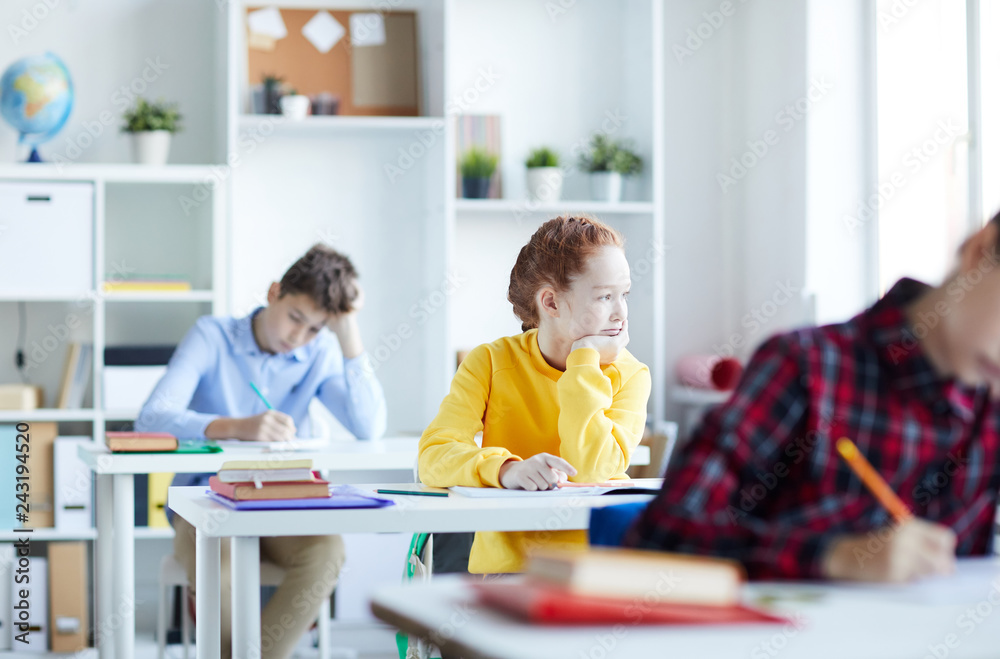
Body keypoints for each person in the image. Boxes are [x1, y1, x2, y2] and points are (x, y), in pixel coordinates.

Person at [625, 215, 1000, 583]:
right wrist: (835, 556)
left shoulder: (990, 406)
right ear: (980, 253)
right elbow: (663, 535)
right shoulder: (805, 367)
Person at [136, 243, 386, 659]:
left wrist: (348, 333)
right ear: (274, 293)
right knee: (222, 561)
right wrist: (235, 428)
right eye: (295, 318)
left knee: (327, 552)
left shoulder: (317, 353)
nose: (297, 337)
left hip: (283, 501)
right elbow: (152, 418)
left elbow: (369, 426)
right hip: (204, 501)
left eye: (315, 328)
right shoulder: (211, 336)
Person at [419, 215, 651, 573]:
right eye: (605, 296)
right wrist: (506, 469)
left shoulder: (631, 373)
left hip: (597, 570)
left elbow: (592, 470)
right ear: (551, 303)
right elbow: (433, 456)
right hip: (506, 568)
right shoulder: (491, 361)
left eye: (624, 294)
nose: (621, 312)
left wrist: (584, 361)